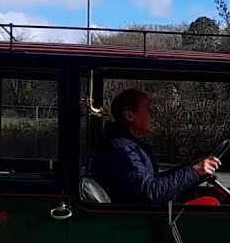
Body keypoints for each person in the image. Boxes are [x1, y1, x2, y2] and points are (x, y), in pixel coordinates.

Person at [88, 88, 221, 205]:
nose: (152, 114)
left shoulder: (129, 145)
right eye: (147, 110)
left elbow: (154, 180)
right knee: (211, 203)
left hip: (147, 216)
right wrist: (193, 172)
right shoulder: (121, 150)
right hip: (140, 221)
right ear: (130, 116)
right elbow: (152, 192)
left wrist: (192, 170)